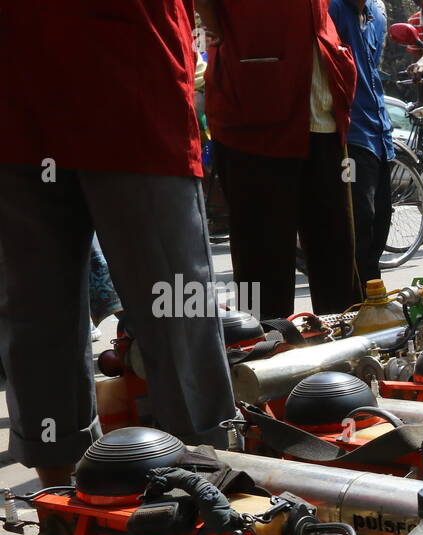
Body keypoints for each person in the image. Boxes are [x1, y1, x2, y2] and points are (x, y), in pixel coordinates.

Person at [0, 0, 236, 488]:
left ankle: (201, 486)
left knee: (170, 308)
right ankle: (66, 509)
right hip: (34, 92)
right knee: (39, 316)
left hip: (127, 78)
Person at [201, 0, 361, 321]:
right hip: (254, 99)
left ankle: (348, 351)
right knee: (261, 255)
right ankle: (265, 353)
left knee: (336, 250)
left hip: (322, 105)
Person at [329, 0, 394, 285]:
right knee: (358, 221)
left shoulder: (377, 14)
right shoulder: (331, 10)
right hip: (350, 135)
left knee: (381, 218)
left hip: (380, 134)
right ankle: (358, 300)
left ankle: (372, 295)